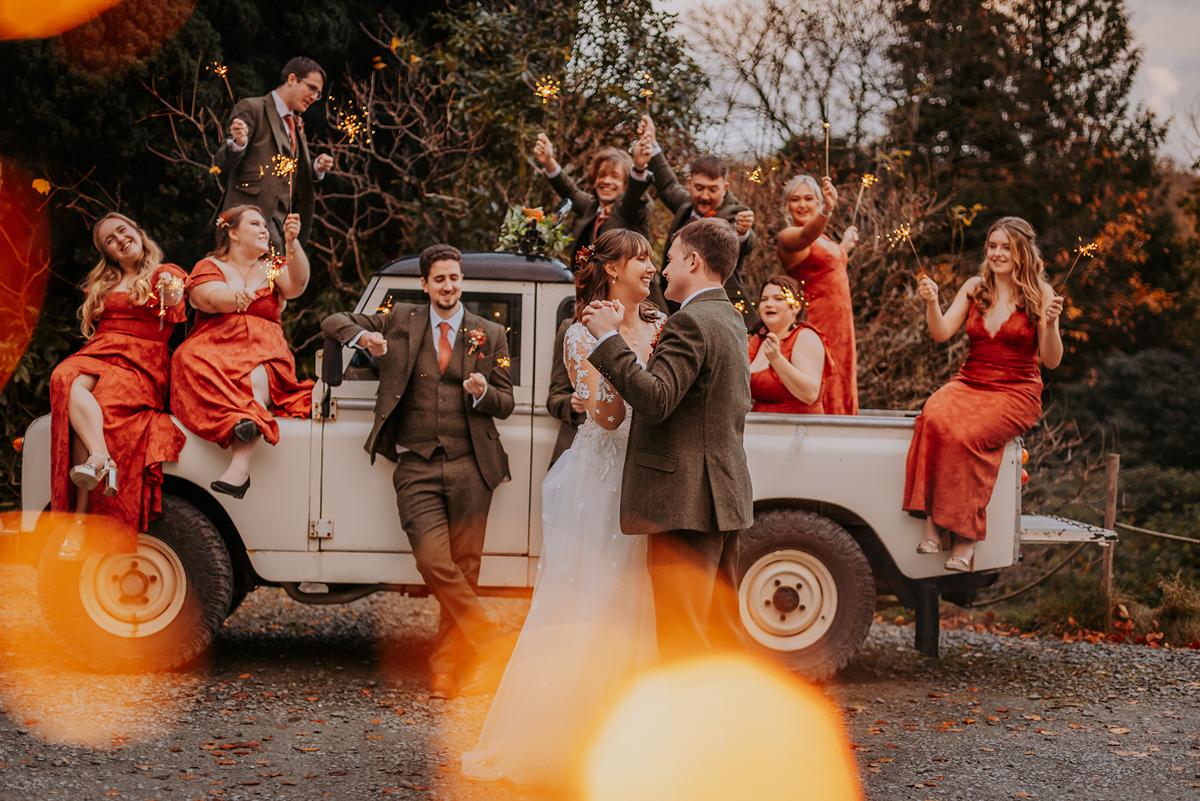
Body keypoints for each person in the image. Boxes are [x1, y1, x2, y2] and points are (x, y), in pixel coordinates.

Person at [462, 230, 661, 788]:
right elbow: (607, 417)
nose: (650, 266)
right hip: (598, 483)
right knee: (591, 605)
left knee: (639, 604)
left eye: (651, 257)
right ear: (613, 267)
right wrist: (610, 354)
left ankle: (635, 739)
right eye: (640, 258)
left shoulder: (661, 324)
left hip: (646, 479)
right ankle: (571, 739)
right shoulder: (581, 332)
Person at [321, 244, 514, 700]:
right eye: (440, 279)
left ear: (461, 281)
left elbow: (504, 400)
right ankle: (489, 634)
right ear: (425, 284)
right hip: (416, 465)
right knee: (432, 560)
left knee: (465, 570)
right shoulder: (397, 318)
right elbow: (332, 320)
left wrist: (483, 391)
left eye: (454, 278)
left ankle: (446, 669)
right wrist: (362, 338)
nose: (448, 286)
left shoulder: (490, 334)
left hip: (473, 466)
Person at [584, 217, 754, 661]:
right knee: (718, 632)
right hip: (722, 496)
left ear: (694, 261)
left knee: (683, 637)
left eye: (671, 258)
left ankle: (692, 730)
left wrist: (606, 340)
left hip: (684, 503)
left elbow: (656, 399)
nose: (662, 270)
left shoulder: (689, 323)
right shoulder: (730, 317)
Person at [903, 216, 1064, 571]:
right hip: (970, 381)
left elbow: (1051, 360)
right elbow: (942, 332)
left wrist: (1050, 325)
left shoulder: (1041, 294)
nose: (997, 253)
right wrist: (932, 303)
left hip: (1015, 390)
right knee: (931, 417)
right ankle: (932, 526)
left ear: (1022, 251)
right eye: (992, 246)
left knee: (967, 435)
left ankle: (965, 538)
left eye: (1006, 247)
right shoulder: (975, 288)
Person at [48, 213, 188, 558]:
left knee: (100, 412)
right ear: (108, 253)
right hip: (102, 352)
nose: (119, 239)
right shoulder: (105, 281)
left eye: (122, 231)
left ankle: (81, 522)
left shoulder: (163, 272)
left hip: (140, 364)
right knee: (63, 379)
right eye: (110, 240)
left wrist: (170, 284)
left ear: (137, 232)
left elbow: (173, 304)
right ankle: (101, 458)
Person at [171, 205, 313, 499]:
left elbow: (297, 285)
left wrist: (291, 243)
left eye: (264, 224)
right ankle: (241, 423)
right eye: (254, 223)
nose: (263, 229)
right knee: (186, 357)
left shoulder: (272, 265)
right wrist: (232, 298)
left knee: (254, 379)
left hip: (263, 348)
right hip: (215, 346)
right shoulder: (210, 265)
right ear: (233, 232)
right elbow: (204, 297)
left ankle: (241, 462)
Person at [631, 115, 756, 320]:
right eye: (699, 188)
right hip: (680, 308)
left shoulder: (736, 213)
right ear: (689, 184)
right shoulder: (686, 205)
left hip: (725, 312)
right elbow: (667, 184)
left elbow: (746, 242)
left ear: (725, 188)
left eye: (712, 190)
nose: (705, 196)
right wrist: (651, 141)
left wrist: (743, 233)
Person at [214, 56, 335, 248]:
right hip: (244, 229)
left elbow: (291, 172)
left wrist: (315, 167)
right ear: (292, 79)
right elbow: (222, 164)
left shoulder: (295, 124)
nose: (313, 97)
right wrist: (238, 143)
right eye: (312, 88)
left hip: (280, 232)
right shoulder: (252, 108)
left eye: (318, 94)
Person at [778, 174, 861, 415]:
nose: (802, 205)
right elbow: (806, 238)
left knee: (843, 372)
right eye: (795, 199)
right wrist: (827, 210)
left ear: (816, 201)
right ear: (787, 205)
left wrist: (844, 246)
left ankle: (845, 422)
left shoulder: (824, 238)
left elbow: (829, 264)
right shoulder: (788, 236)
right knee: (826, 372)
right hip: (818, 319)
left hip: (842, 323)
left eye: (809, 199)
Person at [531, 133, 652, 266]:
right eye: (601, 175)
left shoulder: (630, 209)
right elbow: (570, 191)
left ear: (625, 184)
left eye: (615, 176)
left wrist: (639, 168)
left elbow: (635, 196)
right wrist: (548, 161)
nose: (606, 181)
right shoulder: (593, 206)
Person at [748, 275, 832, 414]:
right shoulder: (756, 341)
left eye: (778, 299)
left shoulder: (805, 337)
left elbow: (810, 394)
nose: (769, 304)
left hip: (799, 430)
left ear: (796, 306)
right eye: (764, 299)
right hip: (760, 430)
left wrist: (776, 359)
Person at [545, 317, 586, 466]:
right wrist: (571, 403)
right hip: (577, 448)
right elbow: (554, 399)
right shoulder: (571, 327)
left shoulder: (650, 325)